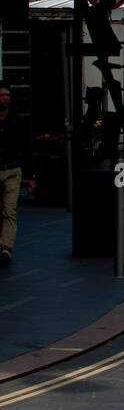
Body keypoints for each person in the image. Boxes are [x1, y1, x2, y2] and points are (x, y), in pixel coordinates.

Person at [0, 80, 35, 269]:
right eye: (1, 95)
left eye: (6, 95)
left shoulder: (18, 121)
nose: (4, 98)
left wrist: (30, 177)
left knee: (9, 210)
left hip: (13, 170)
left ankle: (6, 247)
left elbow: (26, 149)